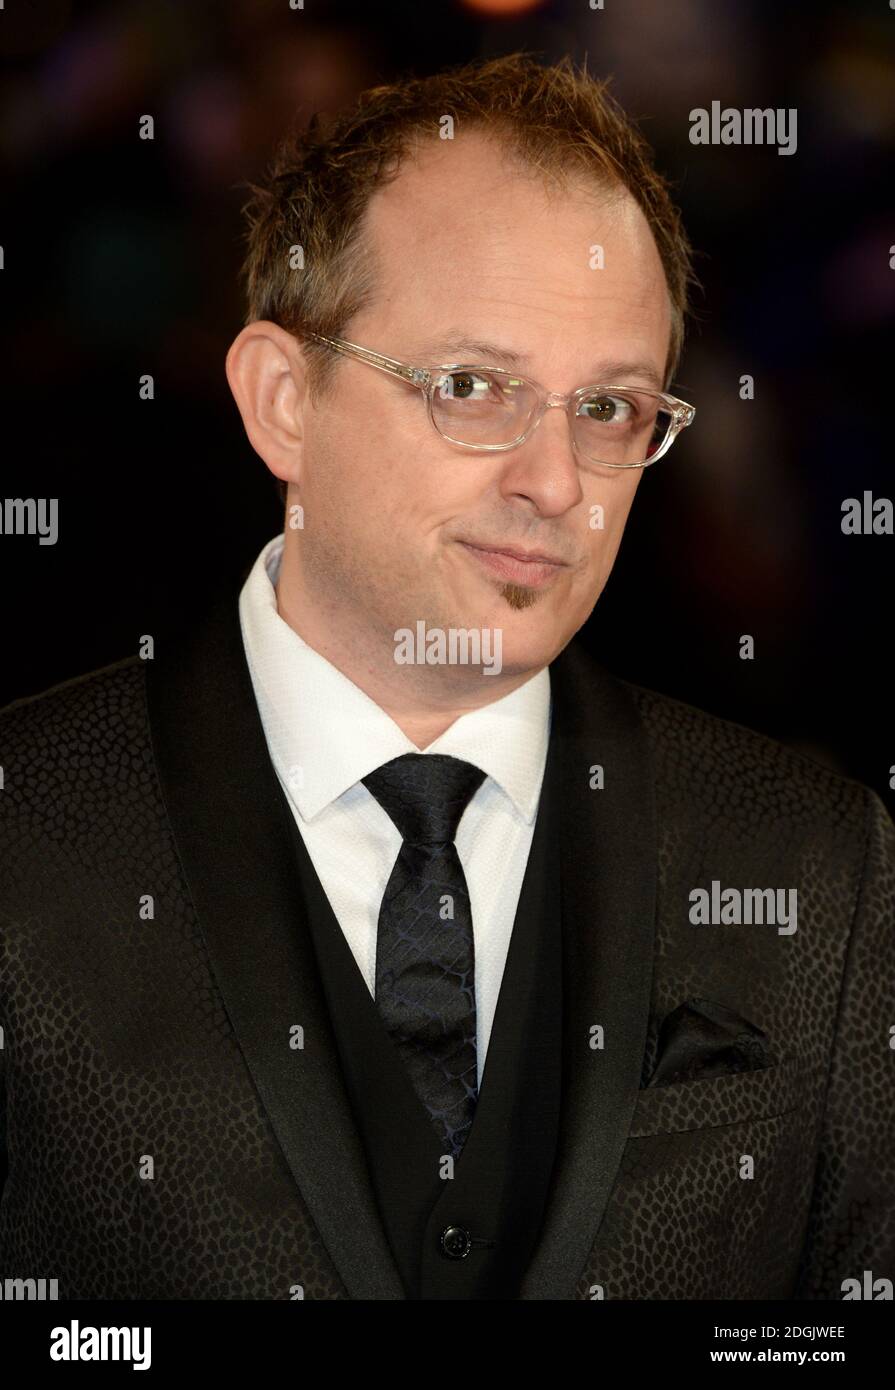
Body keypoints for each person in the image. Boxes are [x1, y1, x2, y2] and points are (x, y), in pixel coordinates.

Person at [1, 53, 892, 1302]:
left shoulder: (817, 866)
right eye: (472, 387)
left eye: (610, 407)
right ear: (280, 401)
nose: (556, 483)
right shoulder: (23, 834)